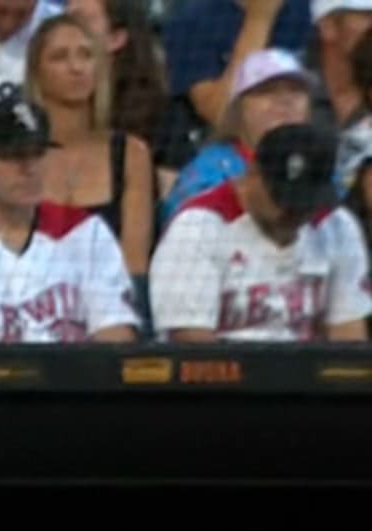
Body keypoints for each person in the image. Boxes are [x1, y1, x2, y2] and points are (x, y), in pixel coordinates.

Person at [0, 95, 141, 340]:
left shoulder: (85, 232)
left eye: (37, 153)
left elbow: (115, 335)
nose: (29, 168)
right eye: (13, 156)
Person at [151, 120, 371, 340]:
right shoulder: (197, 226)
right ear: (253, 174)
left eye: (305, 201)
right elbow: (192, 349)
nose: (293, 212)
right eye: (282, 199)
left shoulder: (337, 227)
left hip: (307, 370)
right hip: (227, 370)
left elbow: (348, 340)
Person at [26, 11, 159, 275]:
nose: (76, 67)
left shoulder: (131, 153)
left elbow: (134, 265)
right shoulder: (16, 154)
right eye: (60, 57)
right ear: (37, 71)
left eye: (86, 55)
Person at [162, 49, 316, 226]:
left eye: (296, 91)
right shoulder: (206, 175)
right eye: (267, 91)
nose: (285, 100)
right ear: (238, 109)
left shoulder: (321, 166)